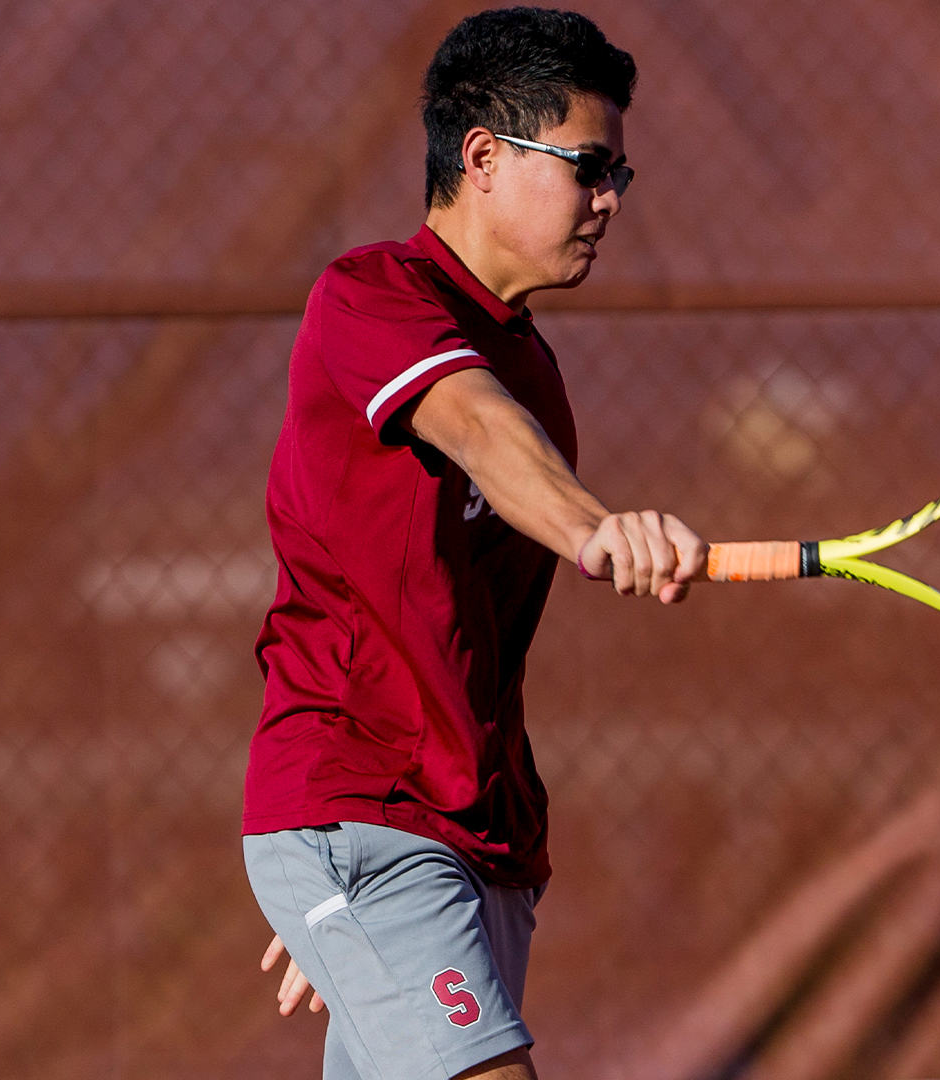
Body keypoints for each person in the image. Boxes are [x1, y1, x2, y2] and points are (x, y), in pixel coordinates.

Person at [241, 10, 701, 1080]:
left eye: (621, 173)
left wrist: (347, 929)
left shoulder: (535, 370)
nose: (611, 200)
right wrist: (595, 528)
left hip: (474, 841)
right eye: (589, 167)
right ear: (484, 156)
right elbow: (480, 432)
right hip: (370, 807)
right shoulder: (373, 298)